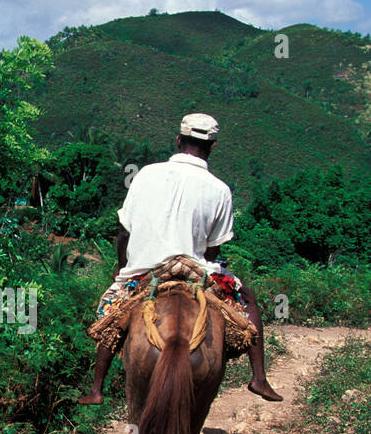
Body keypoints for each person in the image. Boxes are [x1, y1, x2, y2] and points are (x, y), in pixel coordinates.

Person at [77, 112, 282, 405]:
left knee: (111, 312)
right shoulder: (220, 190)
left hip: (144, 270)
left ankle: (97, 388)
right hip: (195, 270)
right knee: (247, 297)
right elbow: (213, 250)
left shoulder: (146, 174)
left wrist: (123, 267)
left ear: (178, 140)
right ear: (212, 147)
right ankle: (259, 378)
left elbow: (123, 231)